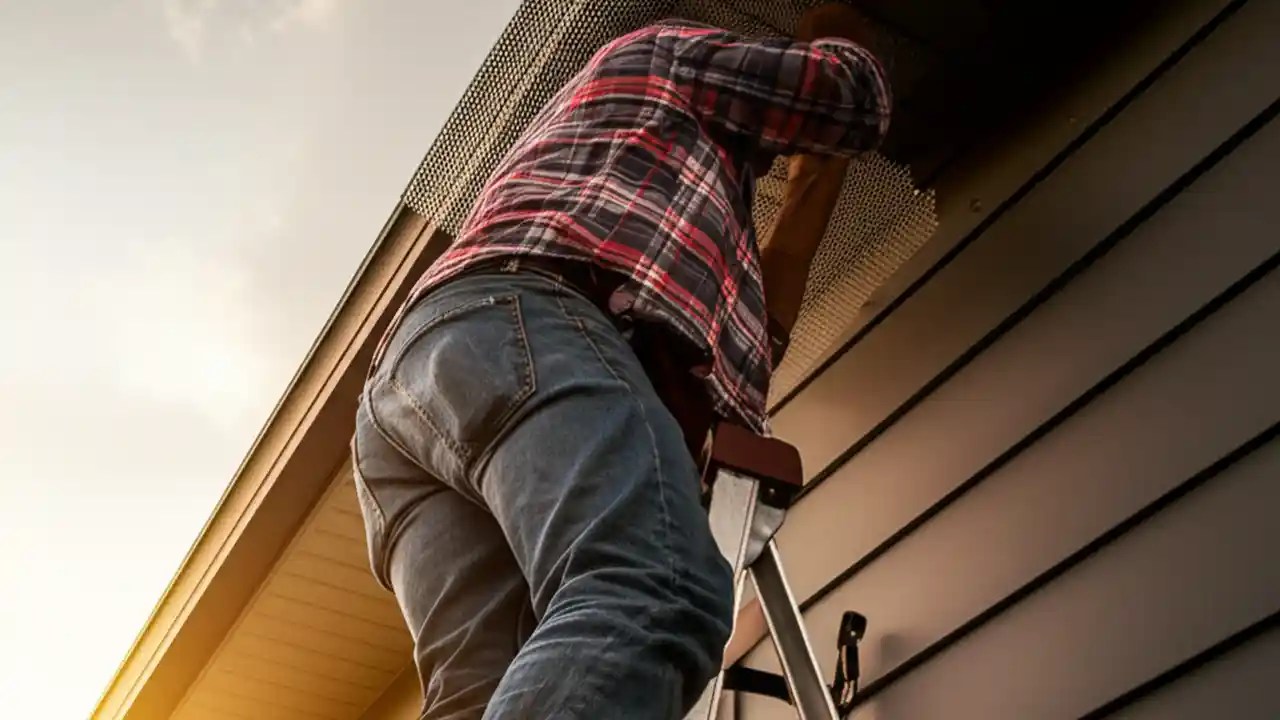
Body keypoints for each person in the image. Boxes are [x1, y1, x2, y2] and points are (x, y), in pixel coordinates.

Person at [350, 5, 892, 718]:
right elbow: (846, 97)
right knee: (651, 584)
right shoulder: (672, 55)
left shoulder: (685, 214)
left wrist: (809, 188)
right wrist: (842, 45)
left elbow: (754, 353)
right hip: (529, 321)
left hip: (419, 387)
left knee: (482, 694)